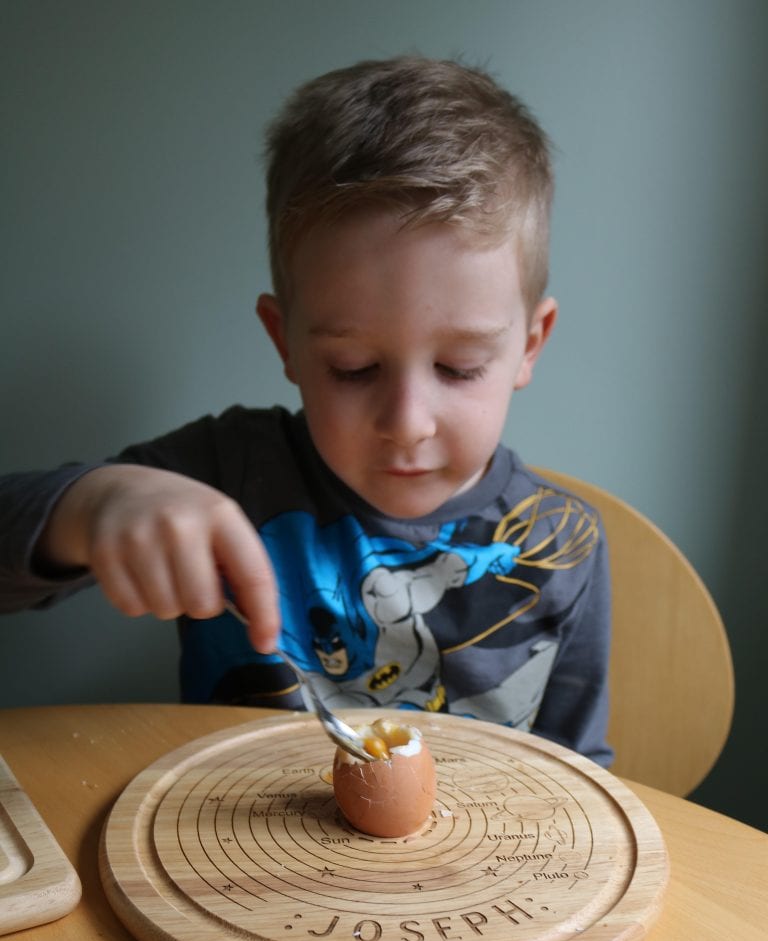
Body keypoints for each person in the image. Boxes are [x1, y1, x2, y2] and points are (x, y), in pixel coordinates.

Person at [0, 56, 612, 764]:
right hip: (226, 856)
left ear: (530, 343)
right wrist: (91, 506)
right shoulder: (230, 473)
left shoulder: (561, 547)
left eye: (458, 366)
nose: (407, 421)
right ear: (283, 339)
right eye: (353, 368)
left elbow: (580, 784)